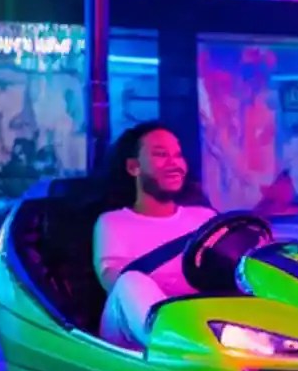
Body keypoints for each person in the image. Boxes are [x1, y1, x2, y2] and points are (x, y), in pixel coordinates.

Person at [93, 122, 217, 348]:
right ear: (133, 167)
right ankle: (174, 343)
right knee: (131, 281)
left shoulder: (204, 218)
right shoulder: (113, 223)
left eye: (178, 155)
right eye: (161, 155)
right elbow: (115, 284)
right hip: (130, 335)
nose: (174, 164)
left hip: (199, 322)